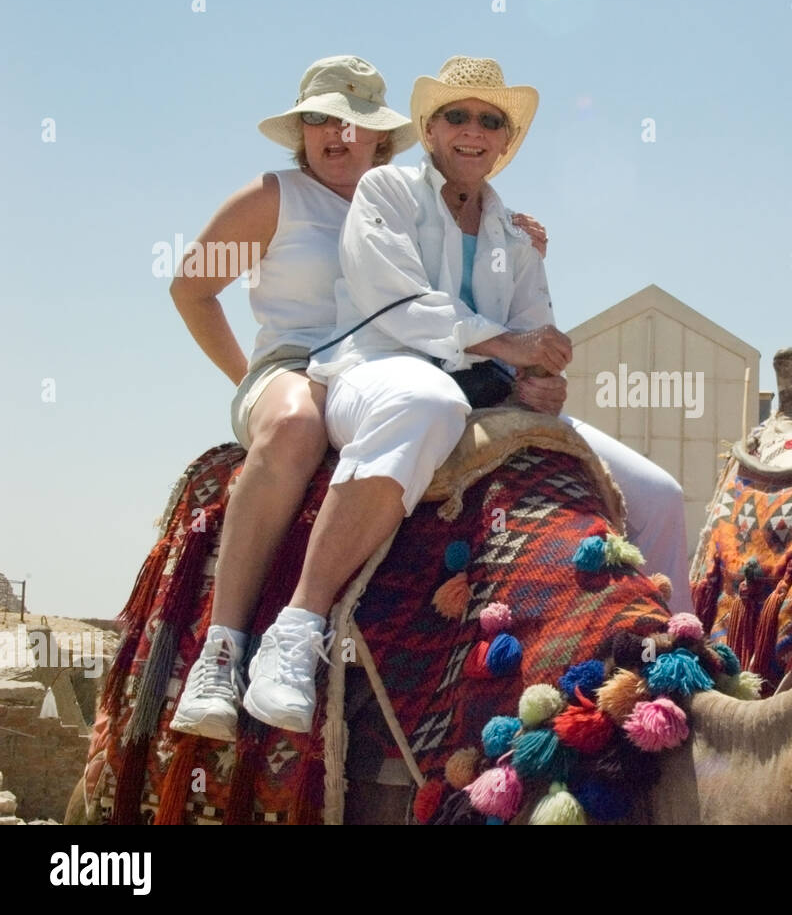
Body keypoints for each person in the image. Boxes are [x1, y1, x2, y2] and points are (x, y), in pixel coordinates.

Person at [241, 56, 690, 733]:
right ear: (429, 128)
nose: (472, 131)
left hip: (489, 399)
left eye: (490, 120)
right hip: (380, 372)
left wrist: (540, 377)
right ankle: (297, 628)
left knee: (658, 494)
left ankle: (671, 662)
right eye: (457, 115)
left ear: (506, 141)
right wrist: (509, 348)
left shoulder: (517, 234)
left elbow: (534, 325)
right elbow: (394, 303)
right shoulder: (386, 193)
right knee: (429, 402)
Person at [169, 55, 549, 740]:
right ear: (301, 130)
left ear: (383, 136)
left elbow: (459, 293)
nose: (336, 136)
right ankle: (222, 651)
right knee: (292, 425)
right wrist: (251, 379)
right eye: (319, 120)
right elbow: (191, 289)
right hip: (299, 365)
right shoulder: (274, 198)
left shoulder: (414, 201)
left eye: (355, 123)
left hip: (406, 365)